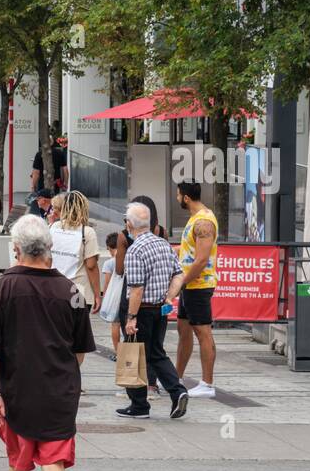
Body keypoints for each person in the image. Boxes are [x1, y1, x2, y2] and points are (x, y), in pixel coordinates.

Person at [0, 213, 95, 471]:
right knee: (54, 462)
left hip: (17, 391)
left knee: (19, 463)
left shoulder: (5, 287)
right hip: (60, 391)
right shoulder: (70, 290)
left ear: (16, 250)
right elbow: (79, 351)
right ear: (49, 248)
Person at [117, 201, 189, 421]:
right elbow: (179, 275)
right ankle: (177, 391)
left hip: (142, 311)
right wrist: (169, 296)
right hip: (160, 310)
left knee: (133, 356)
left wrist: (131, 317)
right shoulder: (163, 244)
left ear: (130, 224)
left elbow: (136, 289)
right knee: (156, 353)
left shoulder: (135, 250)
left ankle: (139, 405)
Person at [172, 180, 219, 398]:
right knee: (183, 330)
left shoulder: (204, 222)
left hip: (198, 285)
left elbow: (201, 260)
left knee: (203, 332)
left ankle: (207, 384)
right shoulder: (195, 220)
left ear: (186, 198)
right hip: (189, 285)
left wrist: (182, 281)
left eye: (179, 195)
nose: (177, 198)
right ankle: (176, 378)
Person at [49, 190, 102, 313]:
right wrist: (97, 295)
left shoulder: (53, 227)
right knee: (78, 330)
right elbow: (91, 266)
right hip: (78, 291)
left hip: (55, 287)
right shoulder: (87, 232)